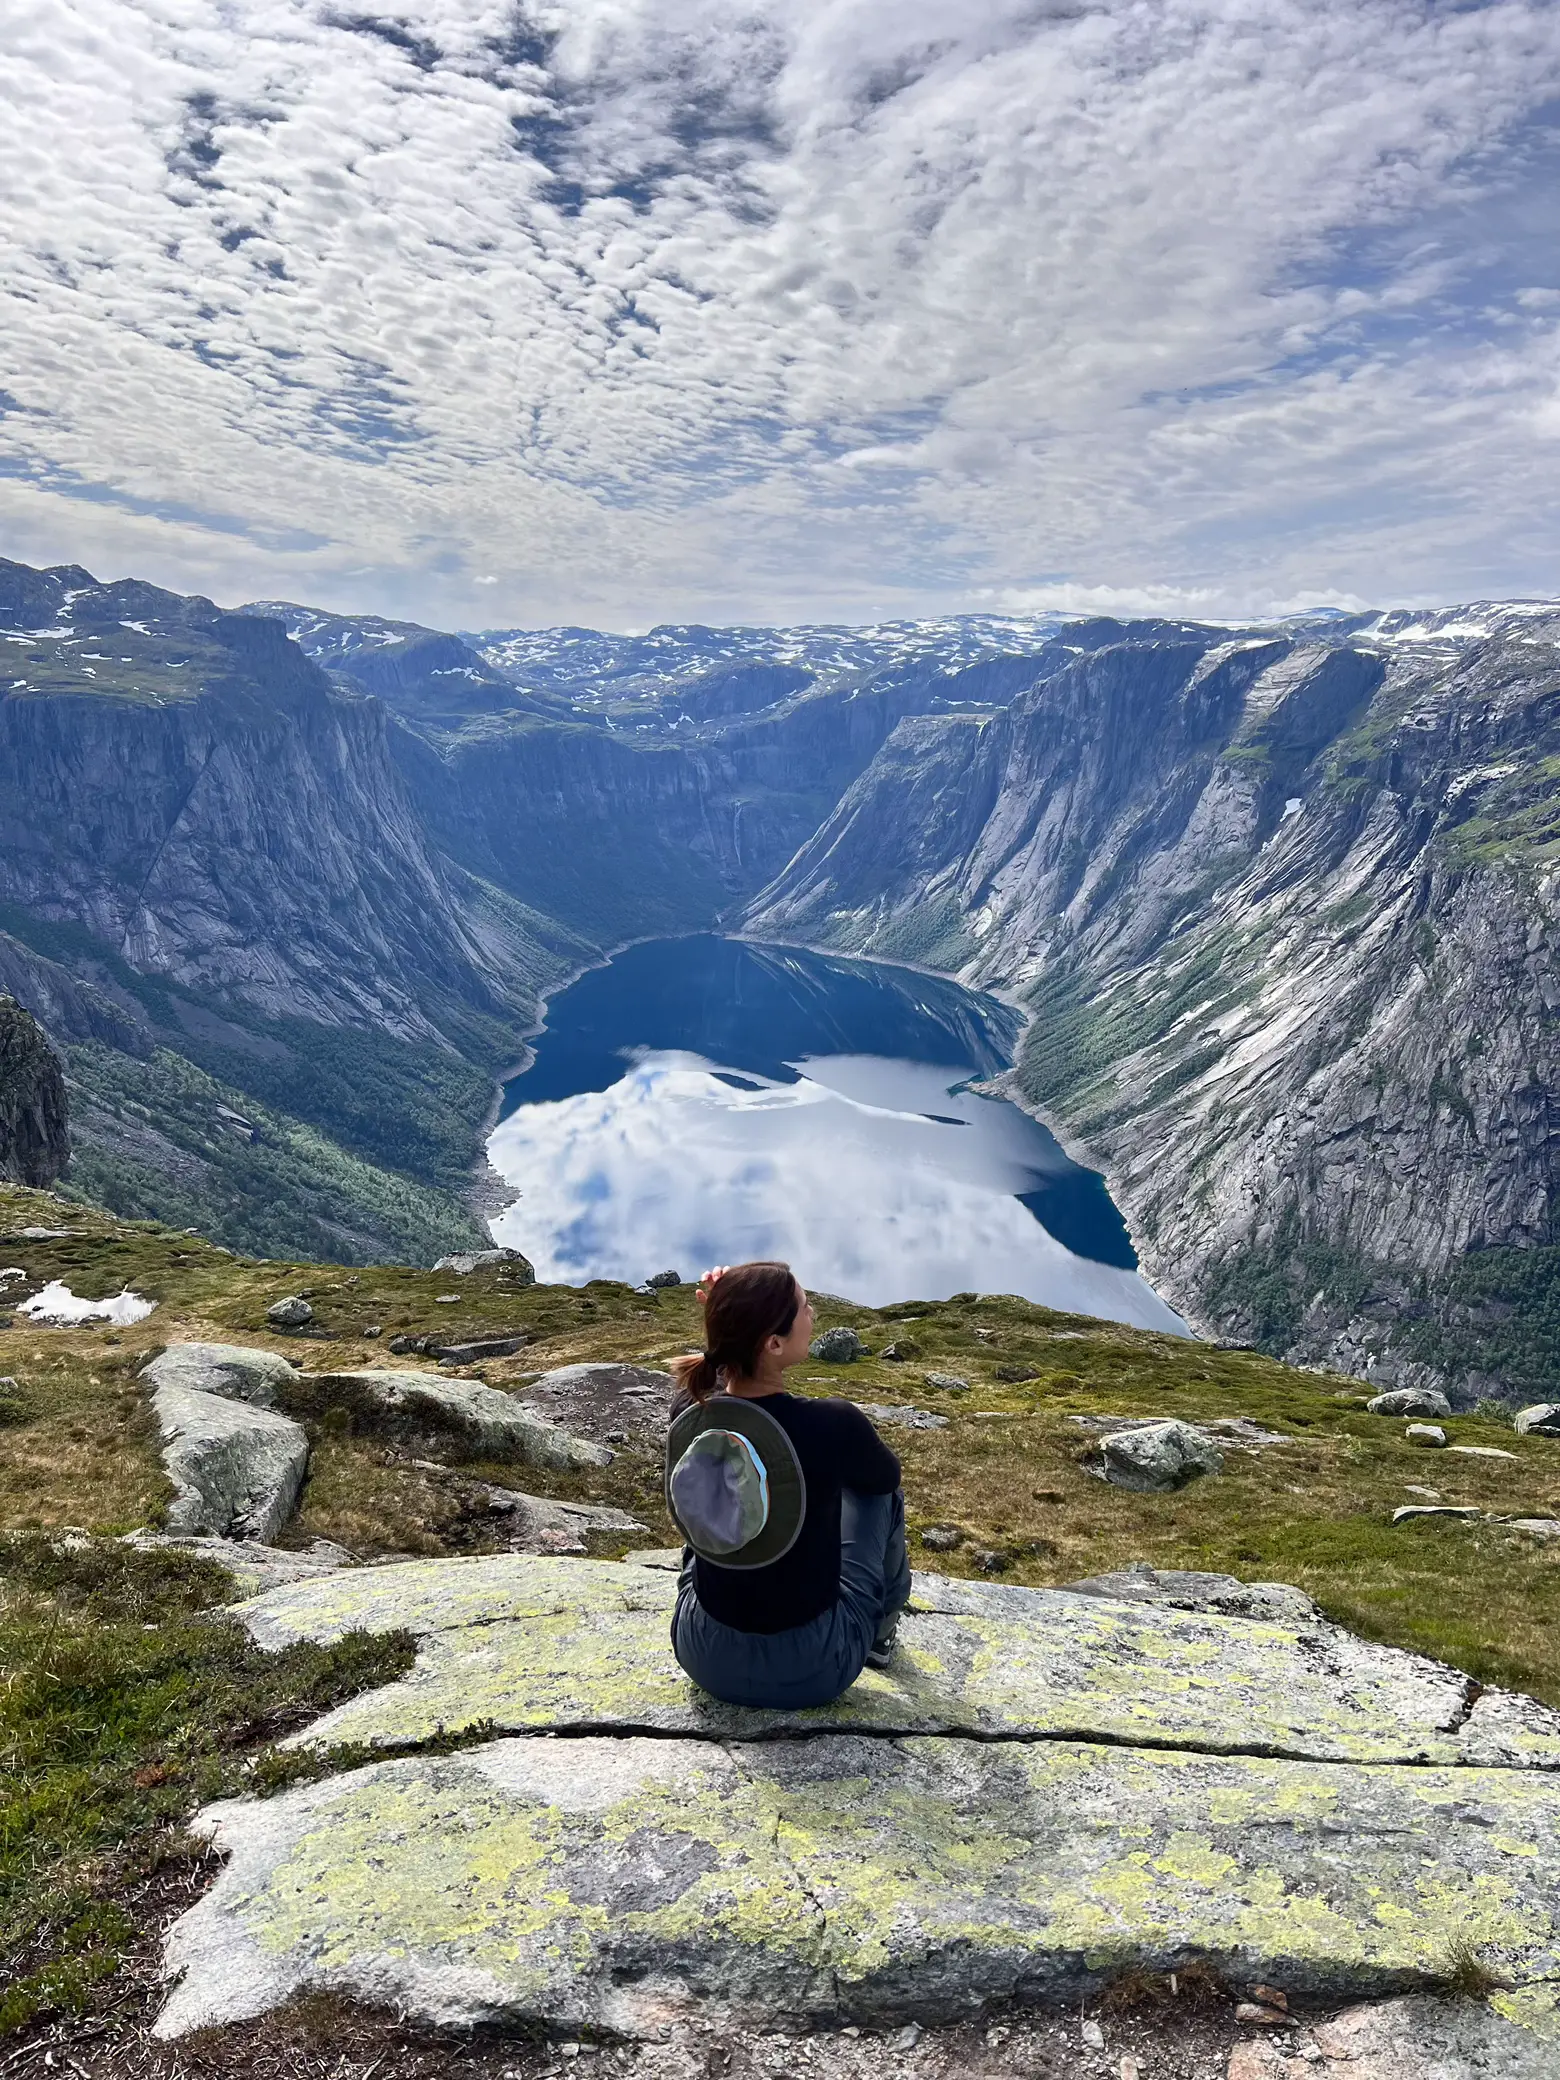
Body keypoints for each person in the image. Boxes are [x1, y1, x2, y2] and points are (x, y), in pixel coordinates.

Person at [664, 1258, 911, 1710]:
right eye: (803, 1305)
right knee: (881, 1490)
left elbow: (718, 1367)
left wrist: (727, 1317)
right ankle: (878, 1638)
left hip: (703, 1654)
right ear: (774, 1342)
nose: (812, 1311)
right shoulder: (834, 1424)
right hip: (814, 1668)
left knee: (714, 1484)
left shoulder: (690, 1412)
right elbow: (885, 1478)